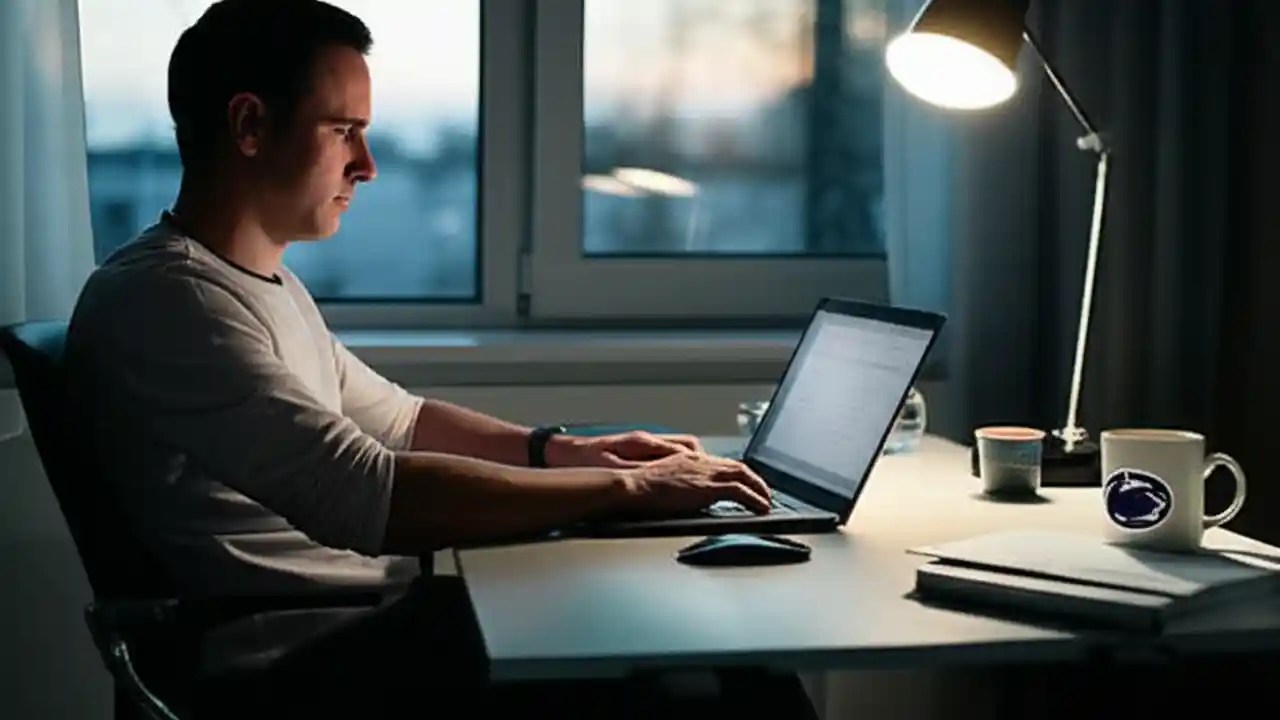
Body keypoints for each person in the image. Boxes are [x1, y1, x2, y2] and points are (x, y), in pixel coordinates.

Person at [65, 1, 813, 717]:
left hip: (369, 631)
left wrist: (566, 454)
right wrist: (626, 490)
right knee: (714, 676)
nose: (368, 164)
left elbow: (403, 422)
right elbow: (369, 495)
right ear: (251, 125)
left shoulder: (258, 283)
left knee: (709, 652)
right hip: (297, 673)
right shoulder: (173, 302)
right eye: (343, 130)